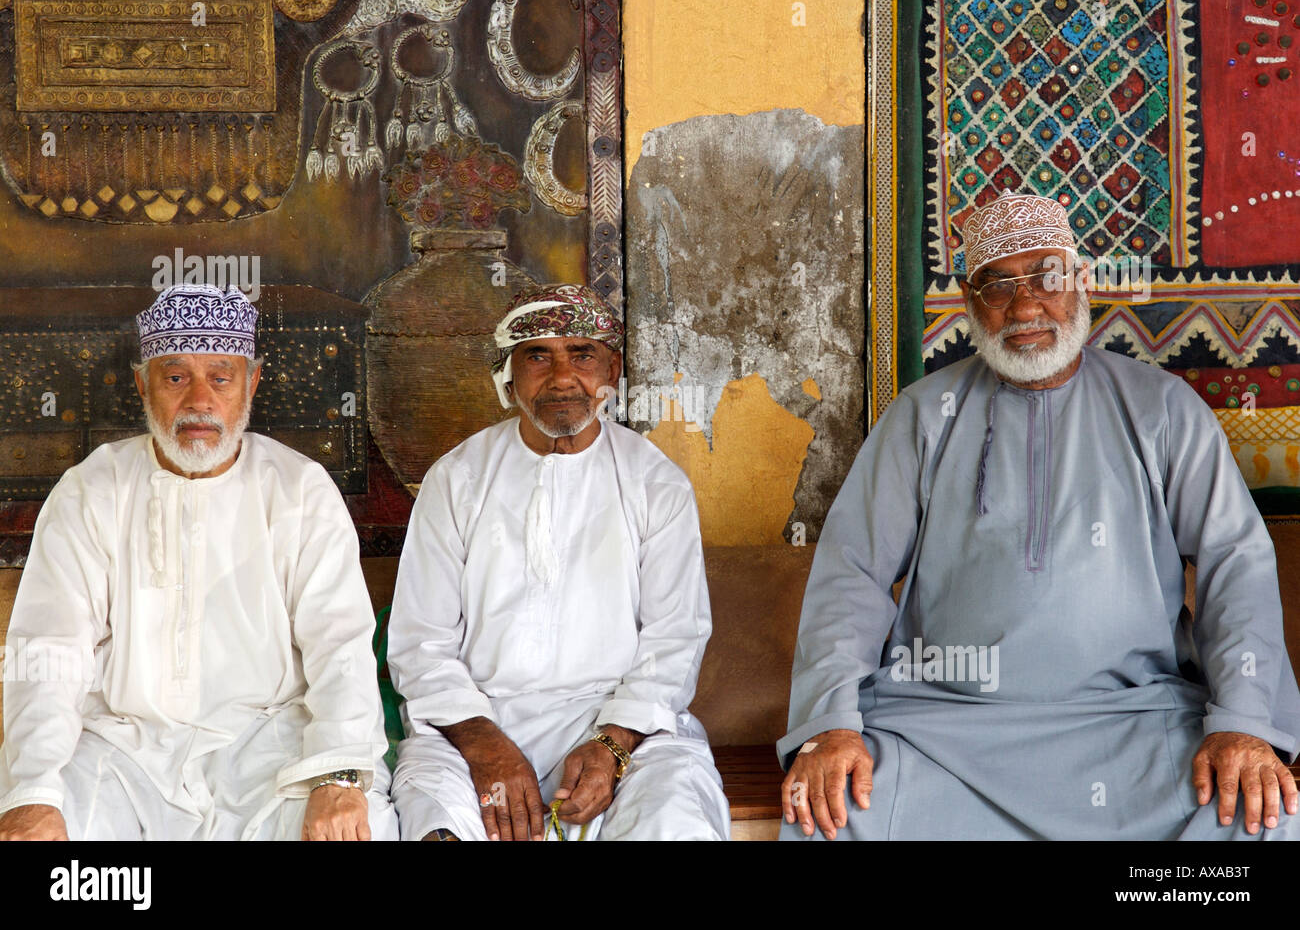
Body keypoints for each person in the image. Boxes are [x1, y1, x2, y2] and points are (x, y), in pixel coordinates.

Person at [780, 190, 1300, 840]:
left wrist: (1243, 724)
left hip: (1131, 719)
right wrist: (830, 723)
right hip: (942, 726)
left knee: (1252, 815)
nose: (1025, 307)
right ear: (971, 304)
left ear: (1082, 281)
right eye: (998, 287)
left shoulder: (1162, 410)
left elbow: (1237, 564)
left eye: (1047, 277)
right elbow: (850, 573)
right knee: (828, 810)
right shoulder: (921, 416)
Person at [0, 283, 397, 841]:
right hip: (121, 751)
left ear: (251, 382)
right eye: (176, 377)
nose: (199, 402)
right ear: (143, 384)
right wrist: (35, 790)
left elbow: (340, 645)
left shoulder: (300, 489)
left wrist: (338, 772)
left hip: (269, 746)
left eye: (221, 376)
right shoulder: (90, 490)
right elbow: (48, 650)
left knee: (362, 828)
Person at [387, 282, 730, 841]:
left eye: (582, 354)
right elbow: (420, 641)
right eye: (538, 355)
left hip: (620, 722)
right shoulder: (457, 479)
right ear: (508, 374)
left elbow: (675, 638)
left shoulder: (655, 481)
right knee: (436, 829)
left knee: (674, 819)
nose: (562, 376)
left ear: (611, 372)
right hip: (473, 722)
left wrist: (611, 747)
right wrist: (486, 747)